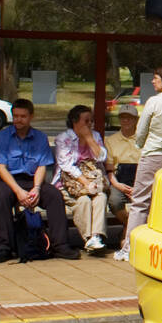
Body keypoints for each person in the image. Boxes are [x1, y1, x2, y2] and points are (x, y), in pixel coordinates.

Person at [0, 98, 79, 262]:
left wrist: (36, 188)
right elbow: (0, 168)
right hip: (7, 181)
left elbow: (42, 165)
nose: (18, 120)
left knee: (54, 195)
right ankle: (4, 247)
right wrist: (18, 191)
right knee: (2, 196)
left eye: (23, 116)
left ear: (31, 117)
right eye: (15, 116)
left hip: (32, 180)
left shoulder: (40, 138)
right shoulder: (2, 138)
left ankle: (60, 245)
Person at [115, 64, 162, 262]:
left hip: (152, 156)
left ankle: (129, 248)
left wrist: (141, 143)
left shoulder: (154, 102)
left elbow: (140, 132)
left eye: (156, 77)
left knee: (140, 202)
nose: (152, 80)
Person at [53, 104, 109, 253]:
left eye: (91, 121)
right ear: (74, 121)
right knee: (83, 201)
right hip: (70, 184)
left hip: (94, 182)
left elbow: (102, 157)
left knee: (101, 197)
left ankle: (96, 236)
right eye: (86, 121)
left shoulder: (95, 136)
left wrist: (89, 139)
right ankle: (89, 238)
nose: (89, 124)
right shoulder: (63, 139)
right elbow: (66, 166)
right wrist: (85, 183)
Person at [105, 103, 141, 229]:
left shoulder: (144, 139)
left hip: (140, 180)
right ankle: (131, 227)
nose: (126, 120)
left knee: (147, 202)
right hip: (119, 180)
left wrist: (138, 187)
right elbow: (109, 170)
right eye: (123, 117)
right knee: (114, 201)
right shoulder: (110, 140)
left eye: (129, 117)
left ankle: (127, 233)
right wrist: (118, 185)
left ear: (136, 120)